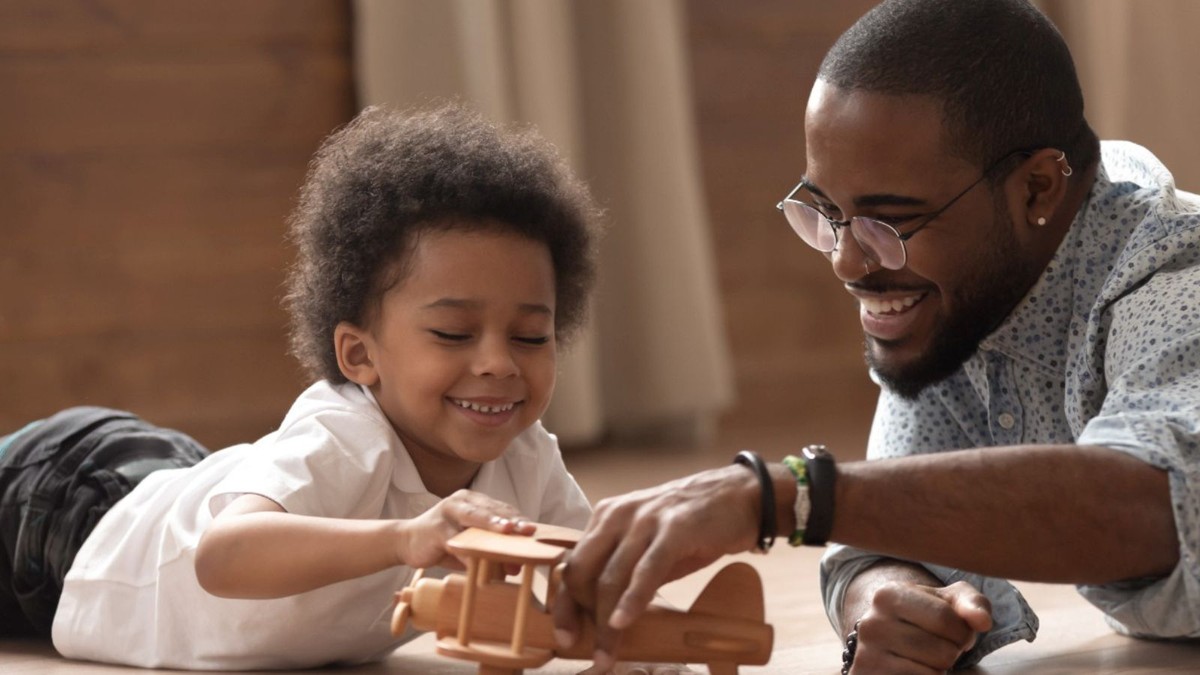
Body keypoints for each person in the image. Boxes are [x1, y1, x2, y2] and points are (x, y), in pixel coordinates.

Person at [553, 0, 1200, 673]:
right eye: (827, 214)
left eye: (889, 223)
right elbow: (881, 528)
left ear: (1036, 188)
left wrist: (783, 496)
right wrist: (888, 596)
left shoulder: (1176, 279)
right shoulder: (966, 293)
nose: (845, 261)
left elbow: (1156, 503)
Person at [0, 104, 647, 671]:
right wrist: (404, 539)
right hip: (68, 512)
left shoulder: (527, 459)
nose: (500, 363)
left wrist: (641, 644)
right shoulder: (346, 436)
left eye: (531, 336)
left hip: (180, 490)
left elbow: (587, 578)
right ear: (359, 354)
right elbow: (220, 555)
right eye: (453, 332)